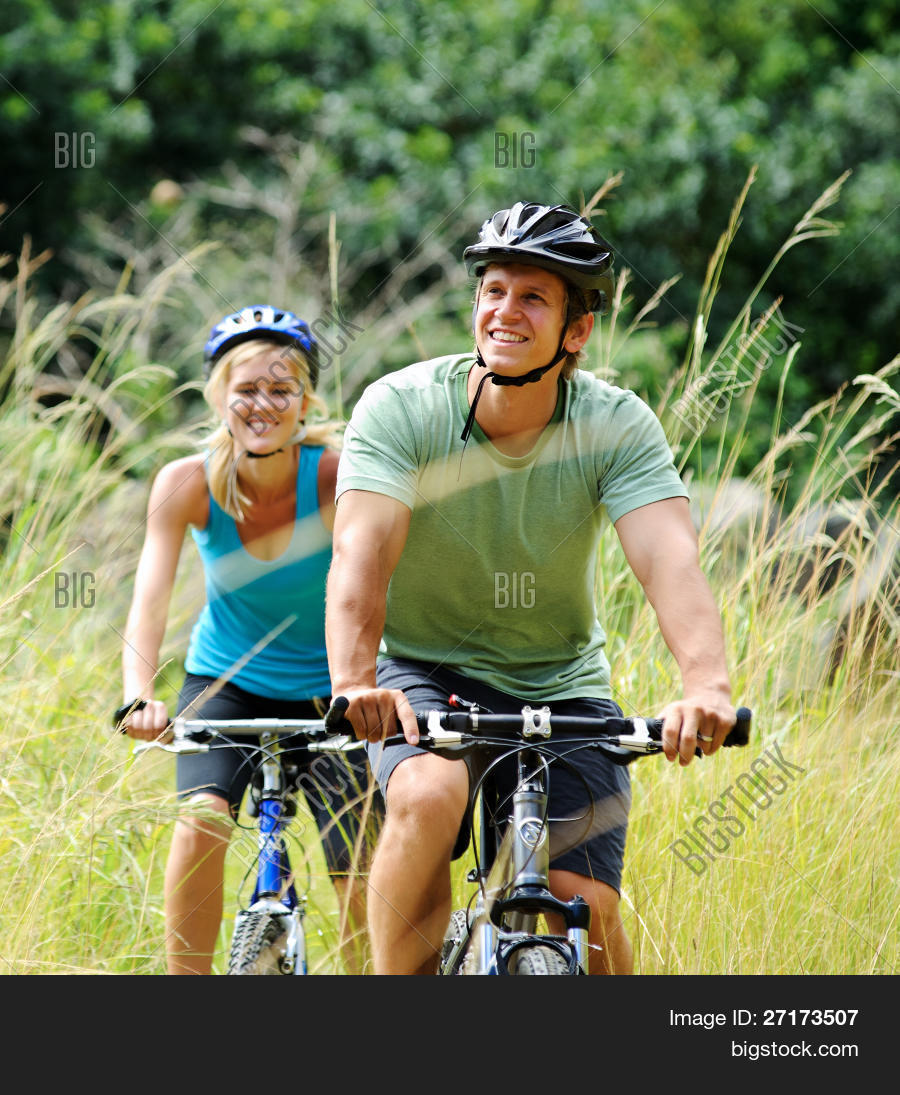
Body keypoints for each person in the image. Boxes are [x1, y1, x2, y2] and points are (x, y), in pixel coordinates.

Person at [326, 203, 737, 974]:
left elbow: (668, 558)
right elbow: (361, 554)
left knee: (588, 903)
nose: (503, 311)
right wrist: (354, 679)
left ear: (575, 332)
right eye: (493, 289)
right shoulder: (402, 407)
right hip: (424, 673)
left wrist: (705, 685)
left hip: (561, 686)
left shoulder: (616, 424)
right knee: (424, 798)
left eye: (533, 297)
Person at [118, 305, 378, 974]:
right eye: (247, 389)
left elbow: (382, 580)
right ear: (220, 397)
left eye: (280, 388)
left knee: (360, 867)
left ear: (304, 401)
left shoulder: (337, 476)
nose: (262, 403)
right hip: (226, 682)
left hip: (335, 688)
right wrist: (137, 696)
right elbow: (148, 598)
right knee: (202, 820)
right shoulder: (186, 481)